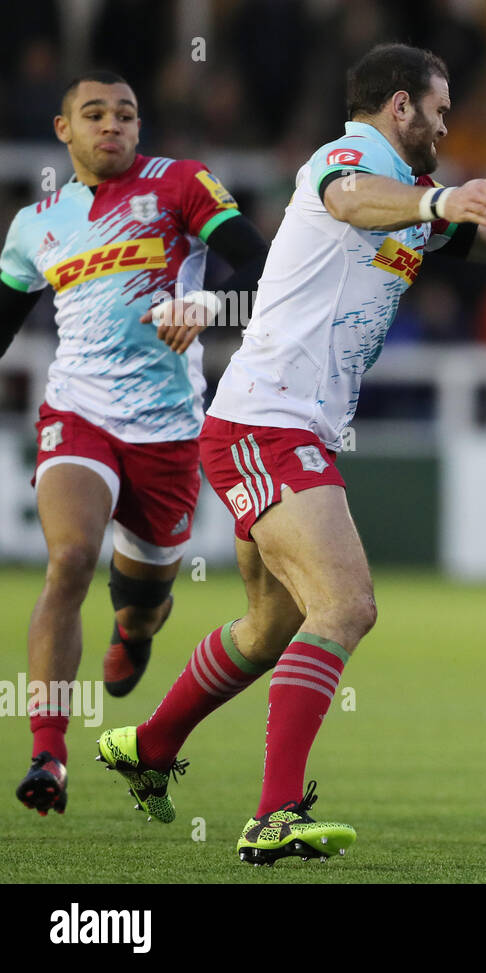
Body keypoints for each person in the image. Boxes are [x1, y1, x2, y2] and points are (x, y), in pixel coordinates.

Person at [94, 43, 486, 865]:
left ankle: (145, 746)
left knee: (268, 624)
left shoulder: (414, 202)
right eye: (438, 107)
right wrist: (436, 201)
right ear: (400, 105)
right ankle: (273, 815)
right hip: (264, 424)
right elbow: (354, 200)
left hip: (288, 427)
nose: (444, 120)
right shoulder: (354, 159)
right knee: (348, 605)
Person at [0, 70, 268, 816]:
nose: (112, 125)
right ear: (65, 132)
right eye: (95, 114)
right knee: (68, 558)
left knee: (142, 606)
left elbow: (263, 265)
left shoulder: (181, 185)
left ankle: (137, 627)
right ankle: (48, 755)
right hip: (77, 413)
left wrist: (209, 299)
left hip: (168, 429)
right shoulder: (36, 227)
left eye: (126, 113)